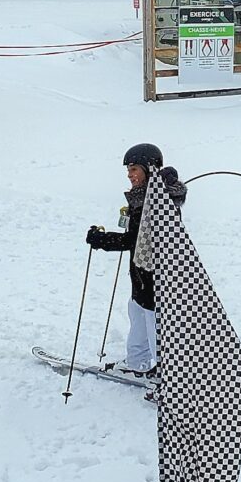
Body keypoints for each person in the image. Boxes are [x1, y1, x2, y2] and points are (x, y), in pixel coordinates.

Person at [83, 143, 187, 378]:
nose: (130, 176)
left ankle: (168, 380)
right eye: (128, 171)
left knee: (155, 326)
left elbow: (132, 240)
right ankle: (137, 362)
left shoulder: (160, 203)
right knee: (137, 314)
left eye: (134, 170)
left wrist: (101, 240)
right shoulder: (145, 198)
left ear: (149, 169)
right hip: (141, 276)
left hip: (157, 279)